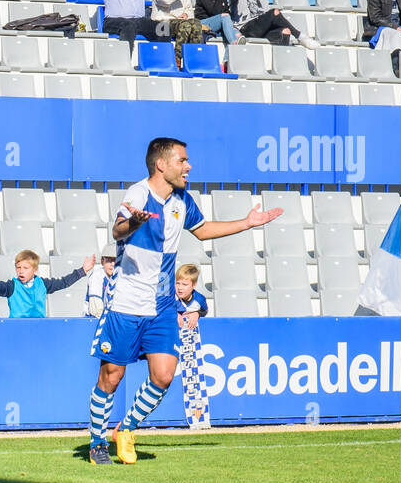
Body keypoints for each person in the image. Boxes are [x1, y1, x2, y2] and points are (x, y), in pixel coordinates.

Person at [86, 137, 281, 466]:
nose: (188, 166)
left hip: (161, 305)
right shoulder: (137, 194)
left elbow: (203, 230)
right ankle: (96, 443)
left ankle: (126, 429)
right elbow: (118, 231)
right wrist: (134, 221)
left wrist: (246, 223)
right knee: (112, 376)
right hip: (126, 303)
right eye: (182, 161)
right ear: (161, 164)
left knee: (163, 376)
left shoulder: (182, 200)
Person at [0, 250, 94, 317]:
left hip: (38, 327)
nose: (21, 271)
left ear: (35, 269)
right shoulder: (12, 286)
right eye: (18, 267)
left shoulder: (42, 284)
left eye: (25, 268)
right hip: (17, 329)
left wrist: (82, 271)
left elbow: (63, 282)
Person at [151, 0, 204, 64]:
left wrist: (186, 14)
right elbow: (166, 0)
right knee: (185, 25)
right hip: (162, 23)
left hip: (179, 21)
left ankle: (193, 59)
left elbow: (189, 9)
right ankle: (177, 59)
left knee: (196, 23)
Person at [87, 244, 118, 318]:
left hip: (112, 320)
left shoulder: (122, 276)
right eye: (109, 260)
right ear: (102, 261)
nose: (113, 264)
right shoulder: (97, 276)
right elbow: (96, 310)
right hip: (93, 321)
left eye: (116, 260)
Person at [174, 264, 208, 329]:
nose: (180, 287)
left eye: (185, 284)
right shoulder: (170, 298)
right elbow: (163, 310)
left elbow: (205, 311)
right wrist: (174, 314)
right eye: (177, 283)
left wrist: (197, 314)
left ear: (194, 285)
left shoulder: (200, 299)